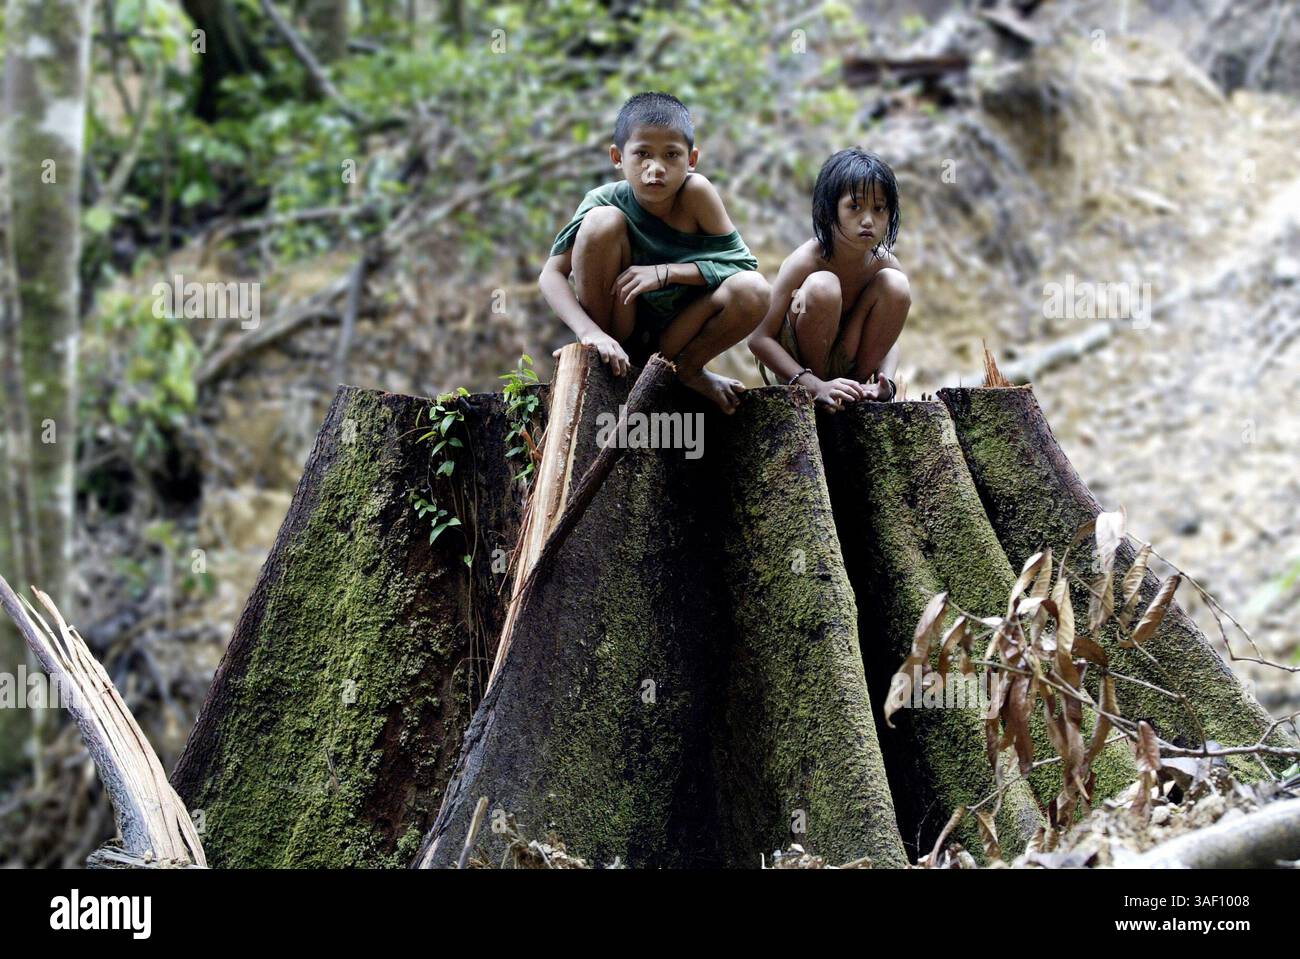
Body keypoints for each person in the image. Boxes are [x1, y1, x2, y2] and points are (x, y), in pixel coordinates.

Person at [538, 92, 769, 414]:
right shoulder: (602, 200)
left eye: (671, 154)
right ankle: (603, 358)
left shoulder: (697, 193)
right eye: (642, 153)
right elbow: (551, 275)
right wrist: (589, 333)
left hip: (674, 340)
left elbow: (742, 266)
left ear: (691, 160)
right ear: (618, 157)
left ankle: (689, 370)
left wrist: (665, 273)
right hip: (616, 329)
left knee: (754, 289)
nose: (656, 168)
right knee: (601, 222)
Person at [748, 148, 911, 411]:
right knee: (823, 286)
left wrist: (887, 384)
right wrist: (814, 384)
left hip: (852, 364)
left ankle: (853, 390)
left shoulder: (886, 265)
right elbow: (759, 338)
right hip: (803, 371)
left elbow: (890, 337)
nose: (868, 220)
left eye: (879, 208)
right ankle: (822, 390)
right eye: (854, 206)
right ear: (828, 211)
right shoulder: (807, 260)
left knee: (896, 285)